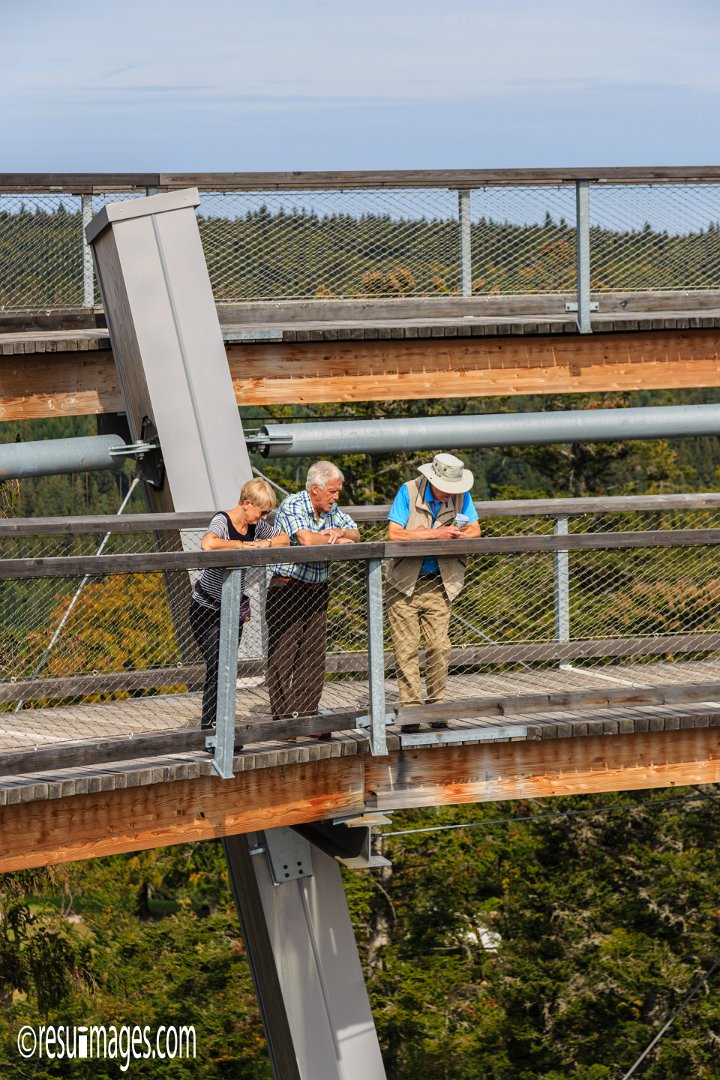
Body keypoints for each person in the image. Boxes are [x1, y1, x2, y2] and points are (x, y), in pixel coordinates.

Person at [386, 453, 481, 727]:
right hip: (404, 583)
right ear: (431, 480)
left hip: (441, 582)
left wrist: (459, 535)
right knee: (405, 649)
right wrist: (435, 534)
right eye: (445, 490)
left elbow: (475, 529)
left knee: (439, 646)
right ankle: (412, 713)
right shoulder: (408, 491)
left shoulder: (461, 496)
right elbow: (394, 533)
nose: (448, 495)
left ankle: (437, 708)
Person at [266, 461, 360, 731]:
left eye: (338, 491)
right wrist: (334, 540)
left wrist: (341, 533)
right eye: (332, 491)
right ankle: (284, 723)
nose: (336, 497)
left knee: (313, 655)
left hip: (317, 590)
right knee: (284, 653)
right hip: (287, 588)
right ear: (315, 488)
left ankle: (306, 717)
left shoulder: (332, 509)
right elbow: (305, 540)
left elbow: (356, 532)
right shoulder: (294, 504)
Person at [189, 478, 289, 731]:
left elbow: (284, 539)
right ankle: (211, 728)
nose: (265, 518)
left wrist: (262, 544)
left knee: (228, 668)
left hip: (233, 610)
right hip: (206, 608)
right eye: (262, 512)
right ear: (247, 504)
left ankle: (222, 726)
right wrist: (241, 546)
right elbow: (208, 543)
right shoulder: (222, 520)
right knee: (218, 665)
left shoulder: (256, 527)